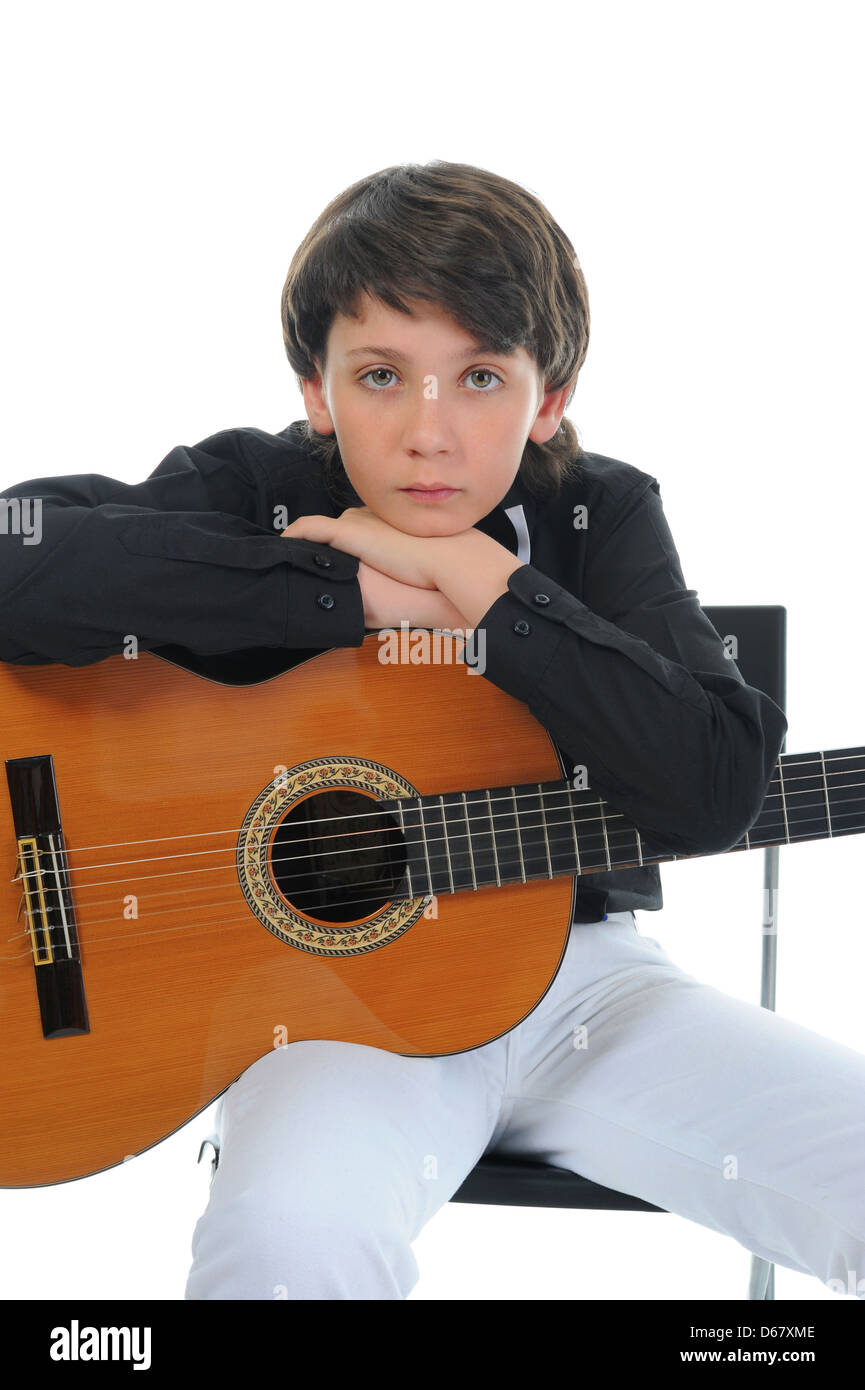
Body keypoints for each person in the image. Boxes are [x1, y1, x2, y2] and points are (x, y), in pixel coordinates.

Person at [1, 161, 863, 1301]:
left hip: (585, 988)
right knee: (288, 1246)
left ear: (547, 401)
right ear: (317, 389)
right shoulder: (255, 483)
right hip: (326, 1009)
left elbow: (712, 779)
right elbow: (21, 555)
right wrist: (347, 592)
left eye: (480, 378)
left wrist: (487, 589)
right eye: (378, 376)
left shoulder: (601, 515)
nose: (428, 433)